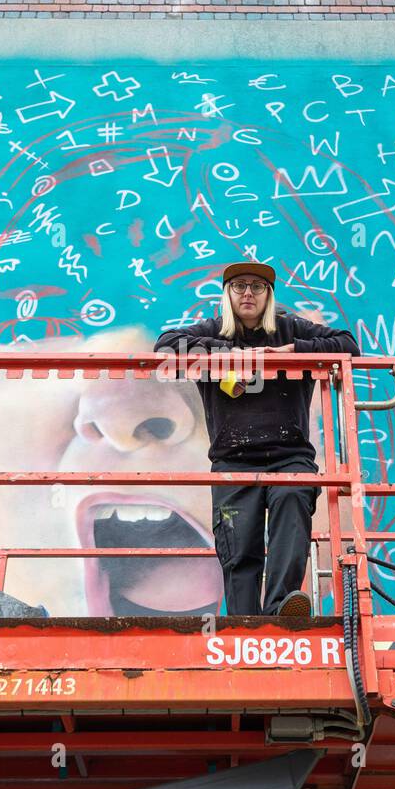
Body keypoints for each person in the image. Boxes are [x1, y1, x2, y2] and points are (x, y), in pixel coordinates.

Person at [153, 262, 360, 616]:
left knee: (293, 499)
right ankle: (243, 621)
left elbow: (347, 345)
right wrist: (232, 355)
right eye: (240, 286)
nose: (248, 293)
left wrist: (287, 353)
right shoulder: (213, 331)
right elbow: (166, 346)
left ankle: (281, 609)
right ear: (227, 295)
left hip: (290, 455)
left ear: (269, 295)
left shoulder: (290, 328)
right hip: (232, 459)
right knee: (239, 546)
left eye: (258, 287)